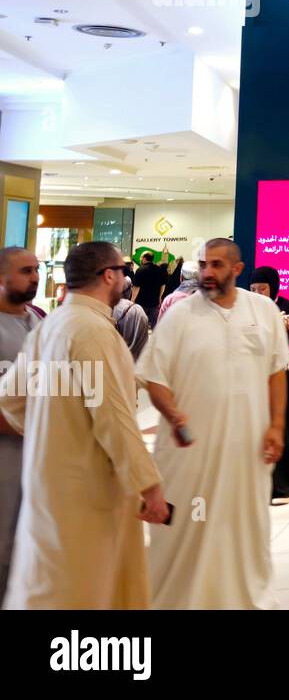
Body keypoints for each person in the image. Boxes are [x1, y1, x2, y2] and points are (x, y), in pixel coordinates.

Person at [0, 242, 168, 609]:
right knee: (85, 591)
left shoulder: (52, 324)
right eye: (122, 271)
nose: (125, 279)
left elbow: (10, 399)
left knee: (50, 582)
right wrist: (149, 484)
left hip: (51, 482)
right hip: (88, 490)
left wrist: (55, 431)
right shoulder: (90, 331)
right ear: (109, 275)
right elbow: (114, 417)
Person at [137, 239, 289, 609]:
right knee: (189, 528)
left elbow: (275, 371)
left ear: (236, 269)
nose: (207, 272)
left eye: (217, 265)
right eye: (204, 264)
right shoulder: (180, 315)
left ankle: (243, 598)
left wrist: (276, 426)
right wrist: (173, 415)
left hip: (246, 449)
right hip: (190, 453)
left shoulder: (263, 311)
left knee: (244, 528)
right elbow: (153, 375)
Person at [0, 247, 42, 600]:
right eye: (26, 271)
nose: (35, 277)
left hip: (35, 460)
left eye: (37, 269)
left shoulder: (39, 323)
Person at [250, 266, 289, 505]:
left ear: (274, 286)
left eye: (262, 288)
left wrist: (280, 332)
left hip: (283, 376)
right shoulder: (247, 310)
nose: (258, 293)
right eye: (253, 289)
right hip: (253, 378)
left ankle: (283, 487)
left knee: (282, 430)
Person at [112, 276, 151, 361]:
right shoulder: (138, 311)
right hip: (133, 363)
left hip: (112, 363)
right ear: (130, 290)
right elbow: (143, 344)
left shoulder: (105, 308)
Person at [130, 251, 169, 327]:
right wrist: (159, 297)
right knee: (155, 326)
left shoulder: (140, 270)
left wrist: (132, 301)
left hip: (141, 303)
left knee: (140, 326)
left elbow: (136, 287)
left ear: (144, 258)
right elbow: (163, 286)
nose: (140, 259)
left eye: (141, 257)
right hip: (154, 303)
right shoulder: (159, 270)